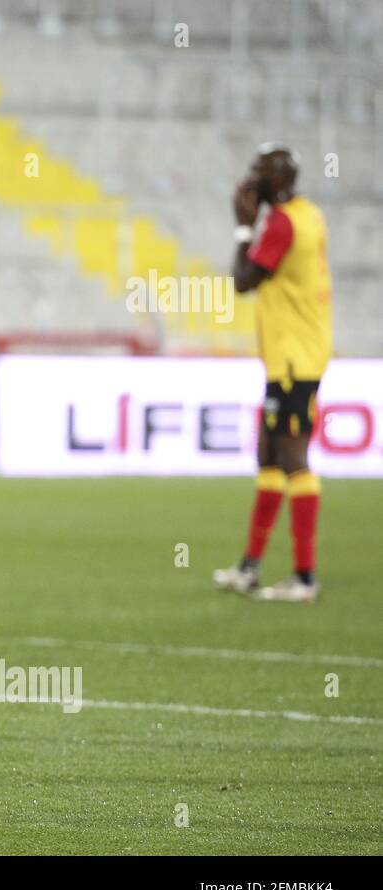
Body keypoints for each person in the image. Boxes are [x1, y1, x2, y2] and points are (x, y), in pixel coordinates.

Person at [213, 144, 331, 603]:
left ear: (276, 180)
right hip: (294, 354)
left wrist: (243, 225)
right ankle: (250, 567)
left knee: (292, 455)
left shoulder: (280, 224)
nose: (250, 178)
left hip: (294, 359)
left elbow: (243, 281)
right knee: (268, 453)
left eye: (258, 172)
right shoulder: (308, 214)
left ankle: (303, 577)